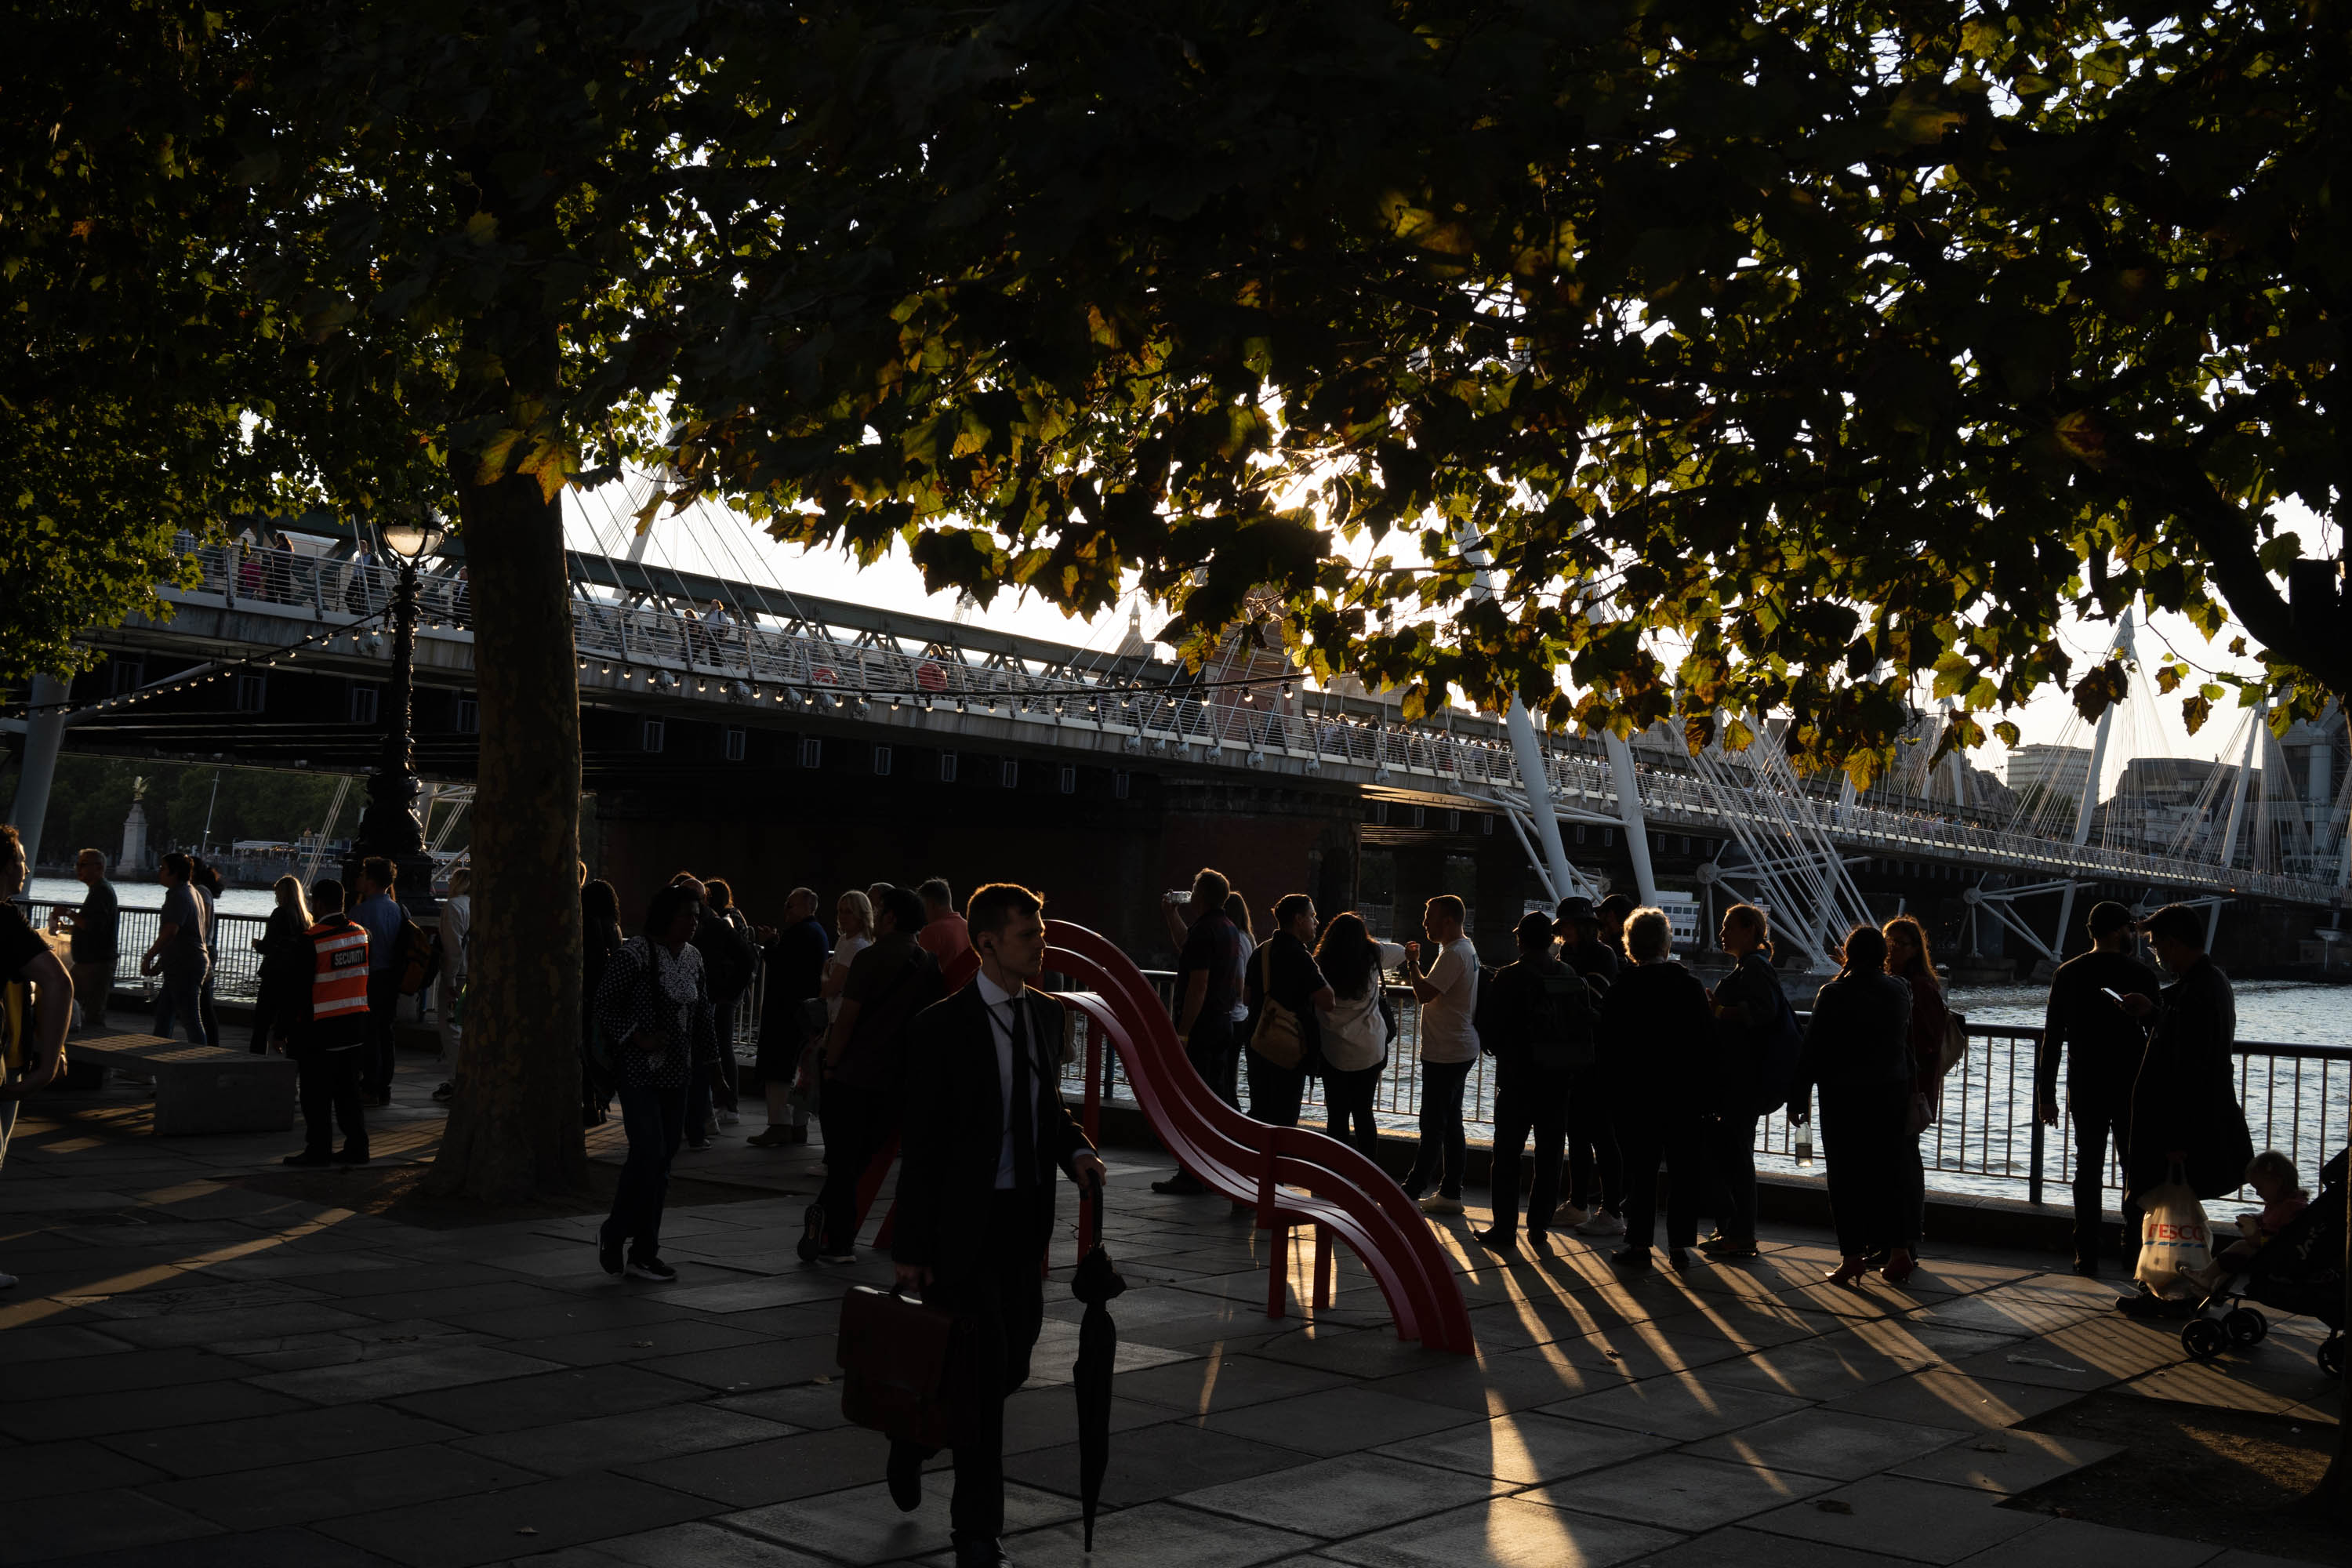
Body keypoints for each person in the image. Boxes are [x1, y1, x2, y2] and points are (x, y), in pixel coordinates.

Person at [885, 883, 1107, 1568]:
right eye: (1028, 936)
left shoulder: (1043, 1015)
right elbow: (921, 1147)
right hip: (962, 1227)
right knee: (983, 1382)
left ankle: (916, 1436)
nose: (1041, 946)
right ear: (987, 944)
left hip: (1023, 1222)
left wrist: (1074, 1152)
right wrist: (913, 1248)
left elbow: (1047, 1110)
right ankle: (977, 1533)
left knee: (1010, 1362)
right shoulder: (940, 1027)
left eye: (1039, 934)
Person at [2114, 903, 2254, 1316]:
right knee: (2170, 1207)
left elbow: (2190, 1068)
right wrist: (2154, 1015)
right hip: (2193, 1120)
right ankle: (2173, 1286)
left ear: (2174, 944)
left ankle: (2172, 1289)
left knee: (2161, 1201)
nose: (2155, 954)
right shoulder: (2208, 985)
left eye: (2157, 946)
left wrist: (2177, 1139)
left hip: (2180, 1126)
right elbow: (2189, 1046)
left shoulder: (2198, 992)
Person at [804, 886, 941, 1263]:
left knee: (844, 1160)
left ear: (892, 917)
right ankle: (823, 1222)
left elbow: (847, 1019)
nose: (876, 918)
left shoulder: (871, 958)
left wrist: (830, 1064)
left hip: (855, 1074)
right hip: (898, 1080)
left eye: (880, 912)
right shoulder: (928, 964)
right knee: (861, 1158)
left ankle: (838, 1239)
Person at [594, 880, 713, 1283]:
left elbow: (703, 1015)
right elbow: (604, 1004)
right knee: (648, 1152)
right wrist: (638, 1036)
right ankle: (617, 1233)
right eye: (687, 915)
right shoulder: (635, 955)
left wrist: (711, 1064)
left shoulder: (694, 958)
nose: (694, 922)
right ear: (667, 916)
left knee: (661, 1162)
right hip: (639, 1071)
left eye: (698, 916)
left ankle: (643, 1250)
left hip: (678, 1073)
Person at [2035, 901, 2161, 1276]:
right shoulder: (2140, 973)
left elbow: (2053, 1037)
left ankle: (2085, 1253)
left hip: (2085, 1084)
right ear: (2115, 931)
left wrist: (2047, 1094)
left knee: (2087, 1170)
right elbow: (2160, 1032)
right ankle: (2132, 1251)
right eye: (2128, 929)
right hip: (2132, 1086)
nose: (2132, 936)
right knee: (2133, 1170)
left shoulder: (2067, 973)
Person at [1793, 924, 1917, 1287]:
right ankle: (1899, 1253)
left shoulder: (1833, 993)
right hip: (1891, 1094)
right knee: (1890, 1174)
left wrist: (1799, 1098)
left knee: (1845, 1178)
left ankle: (1851, 1257)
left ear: (1848, 954)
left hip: (1844, 1096)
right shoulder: (1900, 990)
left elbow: (1812, 1051)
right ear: (1883, 956)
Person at [1601, 906, 1715, 1270]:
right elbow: (1706, 1041)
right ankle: (1680, 1244)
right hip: (1683, 1094)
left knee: (1641, 1170)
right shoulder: (1689, 986)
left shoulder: (1623, 988)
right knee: (1683, 1171)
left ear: (1631, 944)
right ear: (1666, 943)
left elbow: (1610, 1046)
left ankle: (1638, 1242)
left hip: (1637, 1095)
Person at [1475, 912, 1592, 1255]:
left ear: (1520, 940)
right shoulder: (1568, 974)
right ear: (1551, 940)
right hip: (1558, 1080)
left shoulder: (1510, 976)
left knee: (1508, 1154)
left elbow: (1491, 1029)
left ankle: (1505, 1228)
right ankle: (1539, 1227)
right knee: (1551, 1154)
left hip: (1518, 1079)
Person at [1, 826, 74, 1290]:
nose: (27, 867)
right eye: (23, 859)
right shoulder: (4, 922)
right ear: (6, 866)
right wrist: (50, 1058)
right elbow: (58, 981)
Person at [1699, 903, 1788, 1261]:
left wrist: (1718, 1011)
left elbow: (1761, 1013)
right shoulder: (1751, 966)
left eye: (1728, 927)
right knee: (1734, 1153)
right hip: (1740, 1079)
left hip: (1743, 1080)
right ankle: (1733, 1230)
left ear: (1750, 929)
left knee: (1736, 1155)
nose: (1722, 934)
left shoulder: (1754, 967)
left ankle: (1740, 1233)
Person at [1152, 868, 1244, 1195]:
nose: (1190, 893)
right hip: (1223, 1022)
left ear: (1202, 895)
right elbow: (1185, 945)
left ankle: (1191, 1173)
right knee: (1215, 1096)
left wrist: (1183, 1031)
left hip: (1202, 1026)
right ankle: (1216, 1168)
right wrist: (1170, 915)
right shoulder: (1229, 928)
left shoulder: (1205, 930)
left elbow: (1198, 985)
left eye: (1193, 888)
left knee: (1192, 1101)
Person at [273, 877, 371, 1167]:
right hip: (354, 1026)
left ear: (317, 903)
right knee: (348, 1092)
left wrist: (281, 1032)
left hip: (319, 1030)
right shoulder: (362, 935)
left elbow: (297, 992)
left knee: (316, 1095)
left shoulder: (312, 940)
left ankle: (319, 1149)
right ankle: (358, 1146)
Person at [1400, 895, 1480, 1215]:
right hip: (1458, 1047)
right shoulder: (1465, 949)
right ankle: (1450, 1191)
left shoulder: (1454, 954)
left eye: (1429, 917)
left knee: (1433, 1123)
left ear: (1448, 920)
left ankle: (1412, 1189)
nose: (1424, 924)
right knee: (1451, 1123)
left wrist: (1412, 963)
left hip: (1447, 1051)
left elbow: (1423, 993)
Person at [1556, 896, 1624, 1238]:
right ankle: (1578, 1201)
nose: (1563, 933)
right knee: (1578, 1133)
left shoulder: (1602, 956)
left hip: (1599, 1058)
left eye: (1566, 926)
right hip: (1577, 1056)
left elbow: (1588, 1001)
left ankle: (1611, 1209)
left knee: (1601, 1135)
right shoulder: (1572, 955)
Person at [1313, 913, 1403, 1162]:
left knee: (1337, 1114)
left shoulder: (1319, 962)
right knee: (1364, 1112)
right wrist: (1371, 944)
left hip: (1333, 1049)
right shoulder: (1374, 956)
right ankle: (1369, 1175)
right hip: (1369, 1048)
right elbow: (1402, 951)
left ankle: (1335, 1173)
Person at [1882, 913, 1948, 1255]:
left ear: (1914, 949)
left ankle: (1905, 1239)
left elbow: (1928, 1042)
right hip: (1901, 1087)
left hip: (1907, 1089)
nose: (1891, 950)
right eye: (1887, 943)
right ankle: (1898, 1239)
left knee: (1902, 1164)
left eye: (1899, 944)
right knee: (1899, 1162)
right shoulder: (1895, 983)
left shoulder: (1919, 988)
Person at [1243, 895, 1333, 1130]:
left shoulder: (1261, 952)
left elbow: (1246, 997)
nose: (1316, 921)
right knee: (1285, 1118)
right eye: (1312, 916)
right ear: (1298, 920)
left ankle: (1255, 1162)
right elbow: (1328, 1000)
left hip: (1259, 1042)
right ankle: (1278, 1163)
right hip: (1289, 1049)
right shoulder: (1301, 957)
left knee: (1260, 1112)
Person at [751, 887, 827, 1148]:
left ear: (808, 907)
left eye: (790, 905)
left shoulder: (800, 934)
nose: (785, 909)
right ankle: (798, 1126)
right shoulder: (817, 933)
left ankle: (778, 1125)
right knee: (800, 1071)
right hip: (803, 1012)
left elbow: (782, 966)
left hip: (786, 1014)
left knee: (778, 1070)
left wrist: (770, 943)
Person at [2183, 1150, 2309, 1298]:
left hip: (2277, 1253)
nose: (2257, 1193)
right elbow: (2268, 1218)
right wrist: (2254, 1218)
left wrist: (2256, 1235)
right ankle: (2215, 1287)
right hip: (2273, 1250)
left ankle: (2206, 1276)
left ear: (2278, 1182)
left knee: (2240, 1248)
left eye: (2260, 1188)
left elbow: (2285, 1234)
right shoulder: (2283, 1203)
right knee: (2236, 1258)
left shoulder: (2291, 1208)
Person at [689, 877, 758, 1137]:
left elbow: (745, 958)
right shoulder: (725, 921)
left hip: (713, 997)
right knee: (715, 1049)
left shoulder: (717, 924)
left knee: (713, 1049)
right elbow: (747, 957)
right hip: (718, 995)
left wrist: (725, 991)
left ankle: (716, 1109)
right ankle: (714, 1111)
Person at [350, 858, 405, 1106]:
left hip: (368, 979)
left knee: (368, 1033)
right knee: (386, 1032)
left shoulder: (359, 913)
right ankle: (384, 1086)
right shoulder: (398, 910)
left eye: (362, 874)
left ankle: (369, 1085)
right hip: (390, 979)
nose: (358, 878)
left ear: (370, 883)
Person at [141, 853, 209, 1043]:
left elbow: (171, 931)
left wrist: (149, 956)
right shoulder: (191, 892)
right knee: (165, 1014)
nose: (160, 872)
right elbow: (181, 936)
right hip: (184, 962)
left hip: (185, 965)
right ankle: (157, 1053)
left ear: (175, 872)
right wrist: (162, 964)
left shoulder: (178, 896)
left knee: (190, 1019)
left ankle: (201, 1060)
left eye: (163, 868)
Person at [51, 848, 119, 1034]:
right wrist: (66, 927)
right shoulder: (99, 890)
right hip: (91, 961)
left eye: (83, 865)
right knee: (75, 1001)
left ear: (99, 867)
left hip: (96, 963)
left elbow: (92, 926)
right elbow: (89, 926)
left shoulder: (101, 892)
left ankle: (94, 1054)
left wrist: (67, 912)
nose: (78, 869)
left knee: (90, 1010)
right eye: (77, 864)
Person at [250, 876, 315, 1054]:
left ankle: (256, 1058)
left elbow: (268, 945)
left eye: (277, 892)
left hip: (275, 973)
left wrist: (257, 945)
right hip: (294, 975)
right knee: (288, 1017)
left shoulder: (280, 913)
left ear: (283, 893)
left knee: (262, 1021)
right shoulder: (306, 917)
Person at [580, 878, 624, 1125]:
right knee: (600, 1052)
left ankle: (589, 1104)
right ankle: (601, 1102)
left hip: (588, 995)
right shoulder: (614, 927)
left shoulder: (587, 924)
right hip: (608, 998)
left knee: (586, 1052)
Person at [436, 867, 473, 1066]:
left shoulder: (453, 907)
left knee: (451, 1026)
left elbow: (453, 947)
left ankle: (456, 1077)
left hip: (457, 976)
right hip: (472, 974)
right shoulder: (477, 905)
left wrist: (449, 978)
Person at [191, 858, 225, 1048]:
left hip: (203, 949)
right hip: (205, 948)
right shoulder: (201, 890)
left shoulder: (201, 891)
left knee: (204, 1004)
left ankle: (211, 1045)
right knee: (202, 1003)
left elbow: (202, 923)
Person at [915, 877, 972, 964]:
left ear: (932, 905)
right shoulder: (969, 928)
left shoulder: (930, 932)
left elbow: (923, 973)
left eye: (923, 906)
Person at [1595, 893, 1635, 962]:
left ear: (1611, 915)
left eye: (1599, 914)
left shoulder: (1607, 951)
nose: (1598, 918)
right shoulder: (1635, 947)